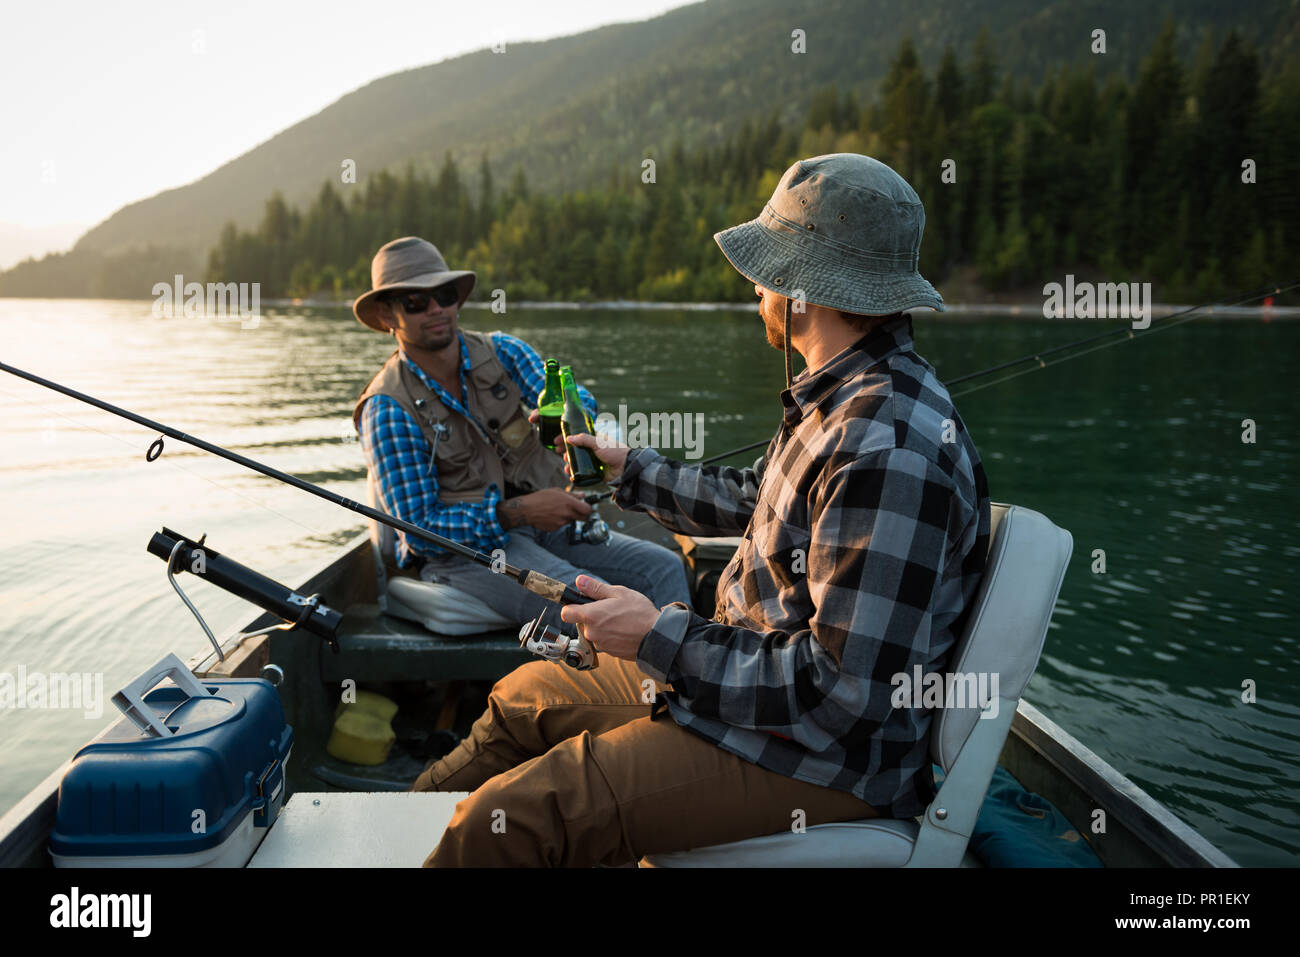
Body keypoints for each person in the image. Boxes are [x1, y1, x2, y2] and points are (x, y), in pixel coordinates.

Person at [414, 154, 991, 867]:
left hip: (819, 758)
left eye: (769, 269)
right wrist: (635, 471)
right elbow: (760, 502)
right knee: (524, 698)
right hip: (750, 695)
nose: (756, 286)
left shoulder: (889, 446)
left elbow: (844, 693)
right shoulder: (843, 394)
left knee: (517, 814)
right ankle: (403, 829)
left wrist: (659, 635)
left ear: (804, 288)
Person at [352, 236, 691, 628]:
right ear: (387, 316)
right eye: (416, 301)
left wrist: (572, 422)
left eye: (444, 294)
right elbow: (420, 531)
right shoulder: (386, 408)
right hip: (463, 556)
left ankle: (676, 686)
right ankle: (630, 686)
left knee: (665, 567)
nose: (436, 309)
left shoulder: (503, 351)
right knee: (587, 602)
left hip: (545, 528)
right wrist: (520, 512)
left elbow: (569, 394)